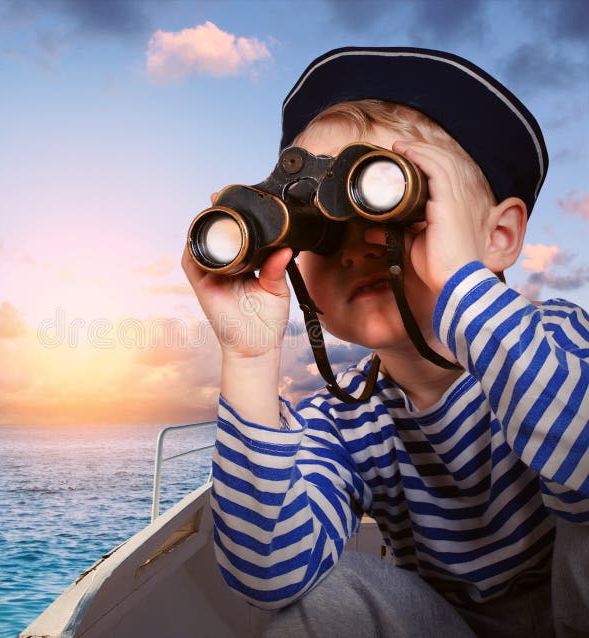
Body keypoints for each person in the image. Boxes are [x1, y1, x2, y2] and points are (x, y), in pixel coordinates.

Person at [182, 47, 589, 637]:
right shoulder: (343, 421)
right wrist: (248, 358)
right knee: (323, 600)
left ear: (499, 235)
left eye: (398, 211)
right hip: (448, 626)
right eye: (320, 233)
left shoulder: (558, 339)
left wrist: (458, 281)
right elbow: (271, 575)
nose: (356, 248)